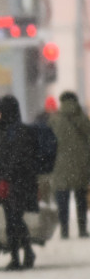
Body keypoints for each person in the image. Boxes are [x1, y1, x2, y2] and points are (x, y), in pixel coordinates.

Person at [0, 94, 39, 269]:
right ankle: (26, 254)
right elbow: (0, 160)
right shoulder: (6, 131)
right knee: (15, 221)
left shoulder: (16, 132)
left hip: (17, 185)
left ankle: (17, 259)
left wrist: (6, 180)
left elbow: (16, 160)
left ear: (7, 112)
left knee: (13, 222)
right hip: (10, 184)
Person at [49, 90, 90, 238]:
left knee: (62, 200)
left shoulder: (55, 119)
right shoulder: (83, 118)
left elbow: (49, 142)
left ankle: (64, 230)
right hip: (81, 165)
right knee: (81, 199)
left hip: (60, 165)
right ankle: (82, 229)